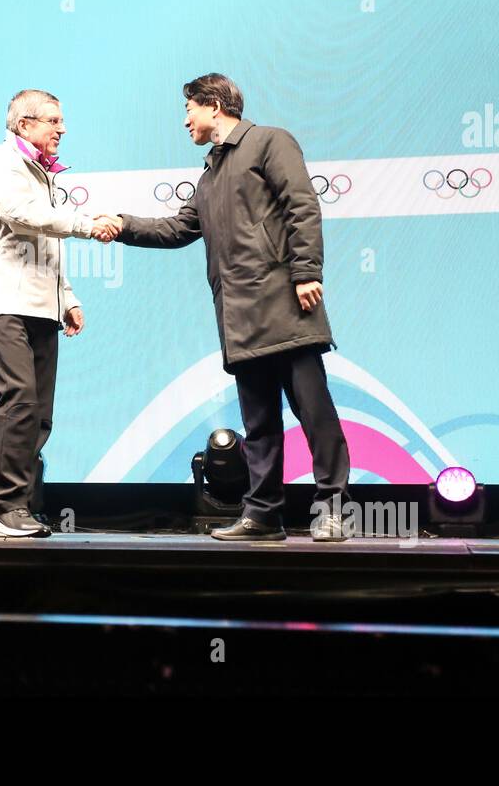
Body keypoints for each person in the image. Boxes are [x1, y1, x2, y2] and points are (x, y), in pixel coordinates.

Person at [98, 73, 351, 541]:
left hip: (285, 304)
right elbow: (176, 230)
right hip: (238, 317)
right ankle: (263, 515)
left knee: (315, 414)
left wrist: (306, 272)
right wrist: (123, 223)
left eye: (189, 109)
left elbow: (302, 205)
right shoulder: (209, 177)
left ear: (214, 105)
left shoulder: (269, 142)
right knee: (258, 425)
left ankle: (333, 509)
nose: (185, 120)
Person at [0, 89, 117, 537]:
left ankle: (18, 504)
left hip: (39, 305)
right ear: (24, 124)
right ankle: (5, 508)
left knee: (40, 413)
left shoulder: (43, 174)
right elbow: (22, 214)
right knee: (19, 401)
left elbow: (43, 242)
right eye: (53, 120)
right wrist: (87, 224)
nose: (62, 129)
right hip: (3, 301)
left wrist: (66, 297)